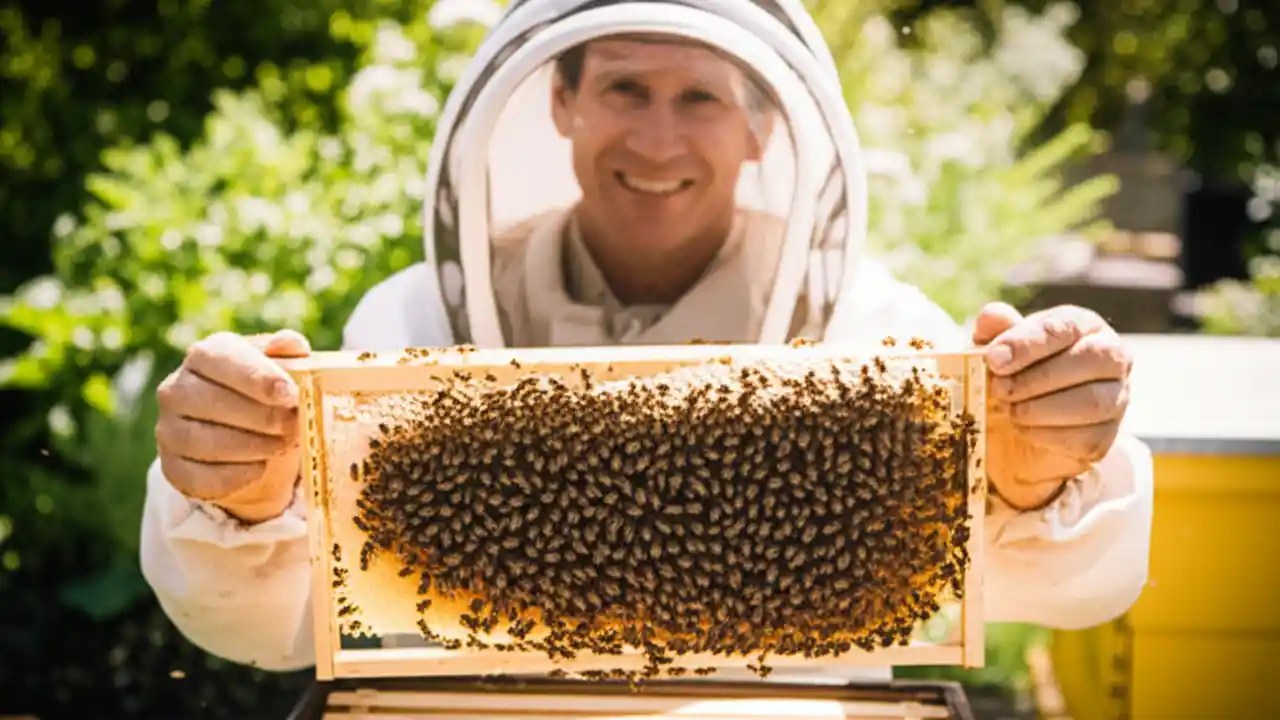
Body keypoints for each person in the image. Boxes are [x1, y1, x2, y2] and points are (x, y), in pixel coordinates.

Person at [140, 28, 1153, 676]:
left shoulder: (873, 333)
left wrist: (1033, 481)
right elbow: (266, 627)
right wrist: (235, 493)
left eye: (701, 99)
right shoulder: (412, 320)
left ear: (763, 129)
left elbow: (1072, 594)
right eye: (625, 89)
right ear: (561, 104)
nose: (659, 141)